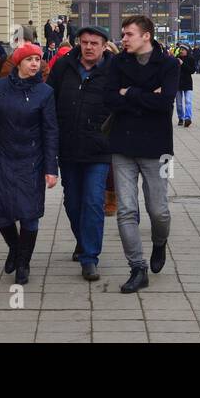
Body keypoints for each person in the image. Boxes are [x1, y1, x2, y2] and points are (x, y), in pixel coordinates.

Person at [0, 42, 58, 285]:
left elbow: (51, 132)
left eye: (38, 59)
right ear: (18, 62)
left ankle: (23, 263)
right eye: (29, 59)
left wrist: (51, 169)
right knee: (1, 213)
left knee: (29, 214)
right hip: (3, 158)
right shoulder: (0, 88)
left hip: (32, 160)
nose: (35, 64)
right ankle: (15, 248)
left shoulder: (45, 92)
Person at [104, 15, 179, 294]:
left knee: (158, 210)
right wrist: (146, 95)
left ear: (146, 35)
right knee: (126, 209)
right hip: (122, 145)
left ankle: (159, 243)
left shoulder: (169, 64)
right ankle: (137, 267)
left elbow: (164, 103)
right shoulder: (117, 62)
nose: (123, 39)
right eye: (123, 34)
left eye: (128, 34)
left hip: (158, 149)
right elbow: (109, 98)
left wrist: (129, 93)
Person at [49, 26, 114, 281]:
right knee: (73, 201)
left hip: (100, 149)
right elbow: (48, 100)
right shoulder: (64, 66)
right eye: (85, 42)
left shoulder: (115, 71)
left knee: (93, 201)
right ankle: (83, 239)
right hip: (68, 146)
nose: (89, 47)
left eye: (94, 43)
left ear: (104, 46)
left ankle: (90, 258)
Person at [0, 23, 46, 103]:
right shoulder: (3, 62)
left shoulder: (41, 65)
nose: (23, 46)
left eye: (26, 43)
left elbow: (46, 95)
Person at [174, 44, 197, 127]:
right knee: (179, 103)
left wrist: (182, 64)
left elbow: (192, 71)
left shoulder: (191, 59)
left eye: (183, 50)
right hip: (178, 83)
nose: (181, 51)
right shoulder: (176, 58)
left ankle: (188, 118)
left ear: (187, 51)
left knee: (188, 101)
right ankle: (181, 117)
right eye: (180, 50)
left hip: (187, 83)